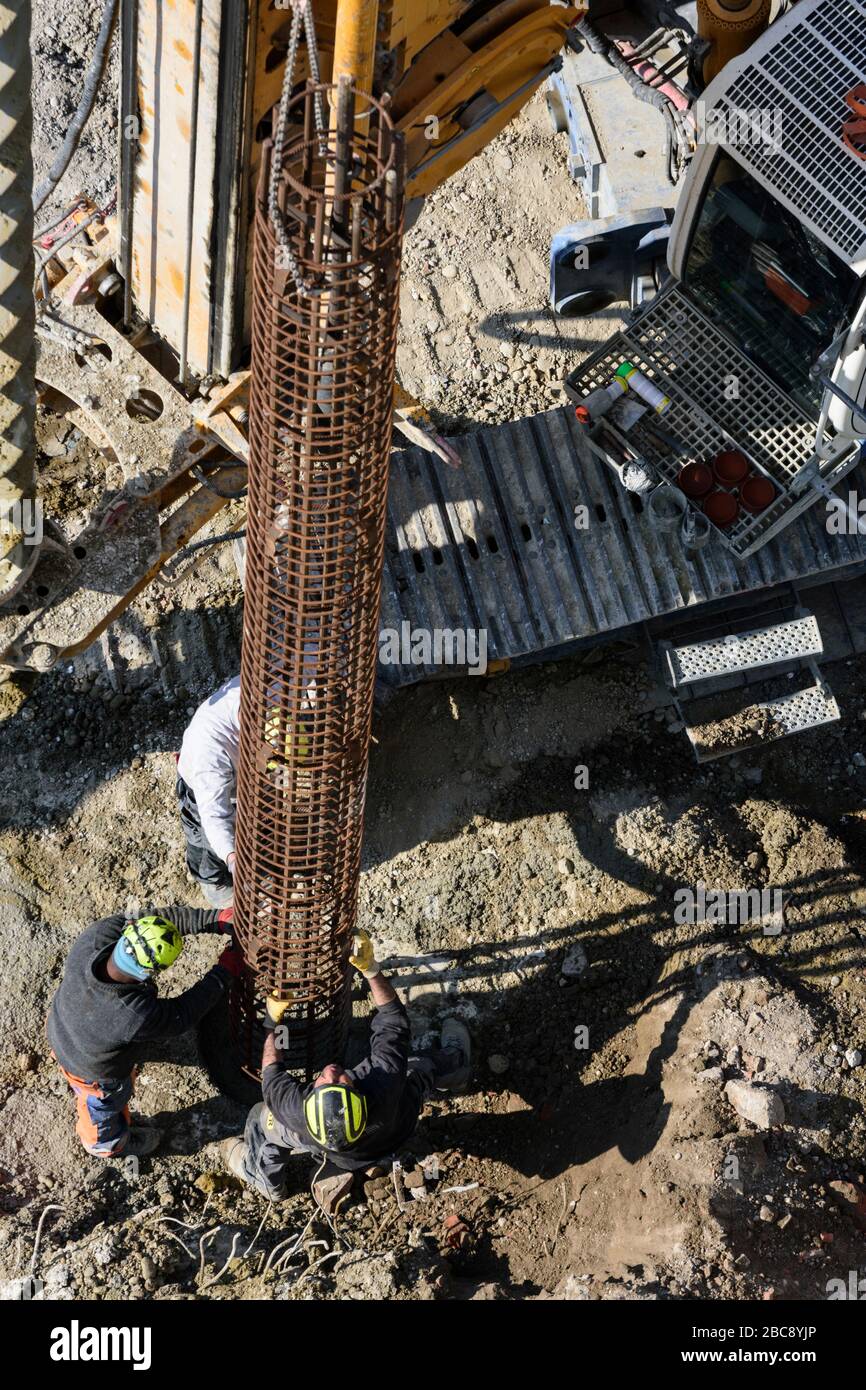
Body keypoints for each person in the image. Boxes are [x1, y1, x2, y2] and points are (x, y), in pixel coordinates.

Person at [221, 929, 471, 1201]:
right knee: (419, 1068)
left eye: (325, 1084)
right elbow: (392, 1021)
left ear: (308, 1102)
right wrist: (372, 971)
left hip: (345, 1155)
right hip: (397, 1130)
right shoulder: (383, 1084)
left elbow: (272, 1069)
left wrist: (273, 1023)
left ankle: (263, 1178)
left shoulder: (294, 1111)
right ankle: (457, 1068)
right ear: (361, 1097)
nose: (331, 1072)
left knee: (262, 1119)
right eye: (340, 1084)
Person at [47, 905, 242, 1158]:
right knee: (106, 1103)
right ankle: (106, 1143)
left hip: (60, 1024)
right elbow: (182, 1014)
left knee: (99, 1040)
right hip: (91, 1070)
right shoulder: (131, 1013)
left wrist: (214, 919)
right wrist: (223, 972)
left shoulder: (97, 937)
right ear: (148, 972)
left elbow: (155, 920)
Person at [176, 675, 240, 908]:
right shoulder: (211, 756)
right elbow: (215, 816)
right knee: (207, 845)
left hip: (242, 775)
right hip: (199, 788)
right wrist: (232, 858)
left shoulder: (272, 691)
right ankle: (215, 884)